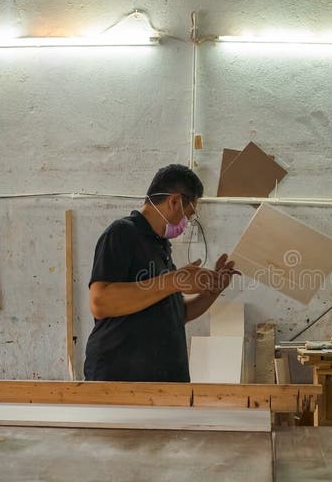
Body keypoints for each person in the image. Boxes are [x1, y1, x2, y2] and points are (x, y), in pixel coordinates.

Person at [83, 164, 238, 382]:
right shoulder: (122, 233)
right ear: (174, 201)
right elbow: (100, 302)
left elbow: (177, 315)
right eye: (189, 214)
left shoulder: (161, 246)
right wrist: (175, 280)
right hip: (123, 378)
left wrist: (214, 290)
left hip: (161, 379)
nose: (186, 223)